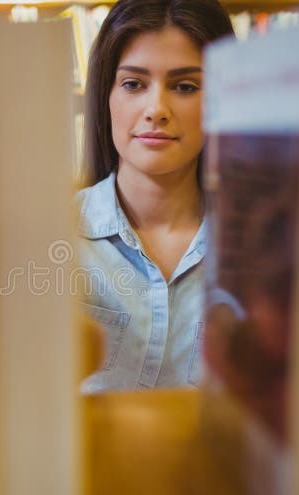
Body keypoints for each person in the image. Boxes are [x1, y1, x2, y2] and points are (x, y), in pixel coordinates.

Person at [76, 0, 234, 392]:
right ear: (106, 97)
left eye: (185, 86)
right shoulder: (54, 237)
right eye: (133, 84)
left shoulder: (258, 252)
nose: (156, 109)